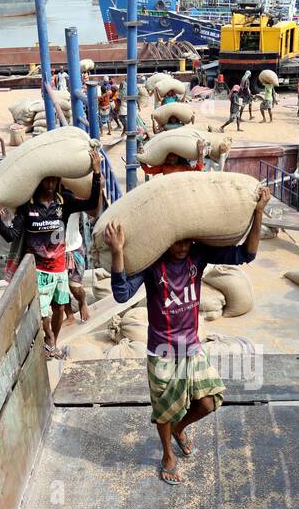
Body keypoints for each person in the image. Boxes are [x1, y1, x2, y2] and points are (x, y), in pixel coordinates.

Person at [104, 185, 272, 485]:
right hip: (162, 352)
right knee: (164, 411)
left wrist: (258, 212)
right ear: (165, 238)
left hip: (192, 348)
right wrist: (118, 252)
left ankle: (181, 429)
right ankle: (167, 453)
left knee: (207, 403)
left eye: (186, 240)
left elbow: (247, 254)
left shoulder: (198, 256)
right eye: (175, 240)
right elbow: (121, 293)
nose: (181, 246)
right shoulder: (153, 264)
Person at [0, 149, 102, 358]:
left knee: (59, 308)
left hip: (59, 269)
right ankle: (48, 338)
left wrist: (96, 175)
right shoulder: (26, 207)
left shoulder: (63, 202)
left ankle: (52, 344)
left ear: (58, 181)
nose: (50, 185)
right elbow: (11, 235)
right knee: (44, 311)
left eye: (53, 181)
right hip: (38, 270)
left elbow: (92, 204)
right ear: (39, 181)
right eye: (46, 181)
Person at [64, 211, 91, 325]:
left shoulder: (73, 197)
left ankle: (82, 301)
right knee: (59, 288)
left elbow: (92, 212)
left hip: (74, 246)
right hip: (54, 251)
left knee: (75, 287)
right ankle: (69, 316)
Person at [141, 137, 206, 179]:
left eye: (173, 156)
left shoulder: (184, 167)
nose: (171, 158)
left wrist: (200, 153)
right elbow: (148, 170)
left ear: (178, 157)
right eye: (169, 156)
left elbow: (198, 169)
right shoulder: (164, 167)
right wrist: (141, 157)